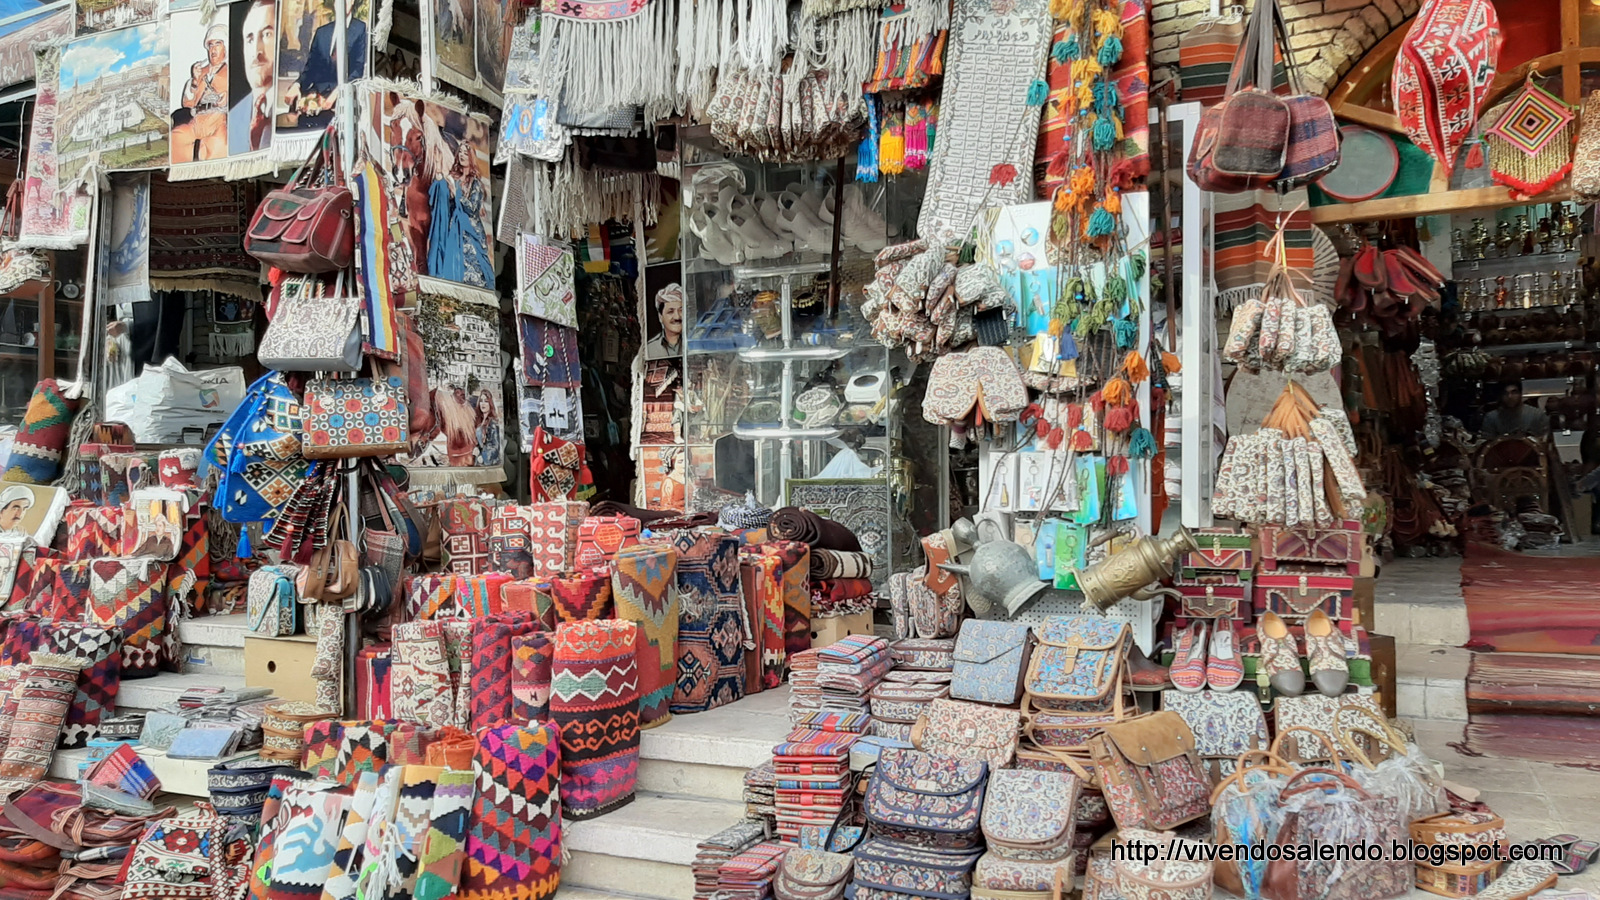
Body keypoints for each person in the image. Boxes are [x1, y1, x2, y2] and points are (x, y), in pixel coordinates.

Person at [282, 0, 367, 128]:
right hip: (318, 95)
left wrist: (339, 92)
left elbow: (357, 70)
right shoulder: (322, 32)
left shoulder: (361, 29)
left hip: (344, 95)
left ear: (352, 2)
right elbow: (310, 68)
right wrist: (297, 85)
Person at [425, 138, 493, 286]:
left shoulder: (475, 183)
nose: (462, 155)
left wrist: (457, 193)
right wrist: (438, 169)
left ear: (471, 157)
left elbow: (472, 208)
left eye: (465, 153)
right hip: (453, 230)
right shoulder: (453, 178)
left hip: (470, 232)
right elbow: (443, 195)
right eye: (460, 152)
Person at [173, 25, 229, 162]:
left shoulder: (232, 72)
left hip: (217, 122)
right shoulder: (200, 72)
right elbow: (187, 103)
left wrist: (229, 96)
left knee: (220, 147)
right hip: (196, 121)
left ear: (225, 47)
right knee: (174, 139)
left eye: (218, 44)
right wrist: (194, 81)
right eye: (210, 45)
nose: (213, 49)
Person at [228, 0, 277, 154]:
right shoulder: (231, 119)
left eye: (267, 34)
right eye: (250, 39)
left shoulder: (298, 104)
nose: (257, 51)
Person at [1482, 381, 1550, 438]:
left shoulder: (1537, 415)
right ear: (1501, 396)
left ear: (1520, 394)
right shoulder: (1491, 418)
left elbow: (1544, 442)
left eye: (1514, 392)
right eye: (1505, 393)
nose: (1510, 397)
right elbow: (1487, 446)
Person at [644, 283, 684, 360]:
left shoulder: (694, 344)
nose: (677, 317)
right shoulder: (649, 349)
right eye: (670, 311)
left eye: (681, 311)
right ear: (660, 317)